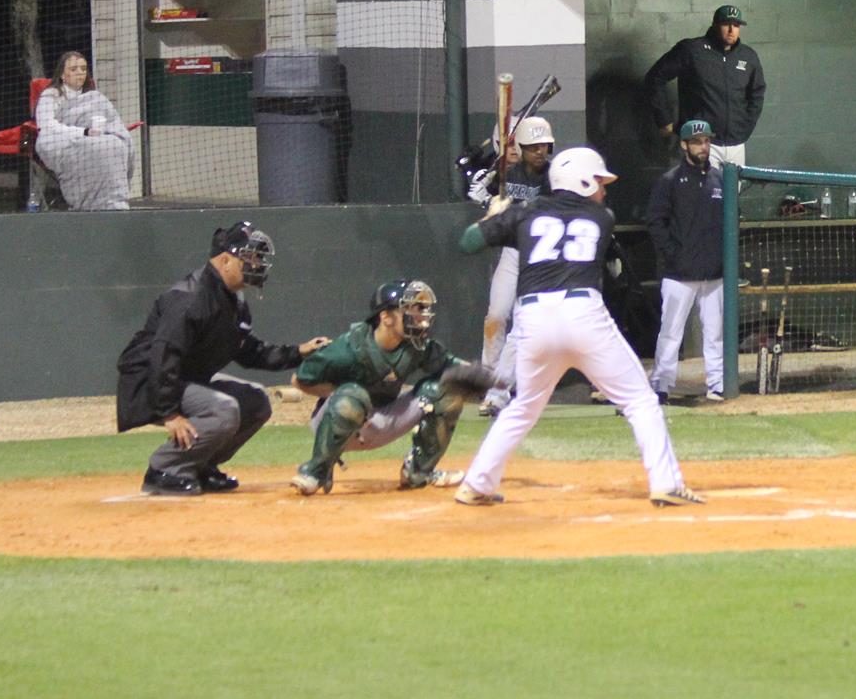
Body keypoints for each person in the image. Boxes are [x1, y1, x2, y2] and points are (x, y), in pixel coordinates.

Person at [455, 147, 701, 508]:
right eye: (599, 181)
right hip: (582, 313)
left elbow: (468, 243)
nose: (603, 189)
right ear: (582, 181)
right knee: (640, 401)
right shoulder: (603, 216)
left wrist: (492, 218)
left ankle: (476, 483)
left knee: (523, 407)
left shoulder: (527, 213)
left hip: (534, 320)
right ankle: (666, 482)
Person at [114, 222, 330, 496]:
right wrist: (169, 413)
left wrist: (299, 352)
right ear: (226, 259)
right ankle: (164, 469)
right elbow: (163, 355)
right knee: (224, 409)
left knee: (255, 401)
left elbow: (250, 352)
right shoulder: (191, 298)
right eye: (250, 257)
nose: (258, 264)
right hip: (149, 382)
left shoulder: (232, 301)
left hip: (182, 378)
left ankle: (201, 466)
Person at [291, 280, 495, 495]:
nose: (419, 315)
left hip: (381, 420)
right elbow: (299, 379)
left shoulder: (416, 345)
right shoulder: (349, 347)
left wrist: (491, 378)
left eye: (421, 309)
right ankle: (316, 470)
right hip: (338, 422)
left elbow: (453, 366)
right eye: (410, 309)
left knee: (445, 388)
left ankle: (418, 472)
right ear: (385, 317)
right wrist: (338, 396)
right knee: (353, 395)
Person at [473, 115, 555, 414]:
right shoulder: (507, 174)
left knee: (522, 326)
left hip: (539, 259)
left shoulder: (553, 175)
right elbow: (485, 199)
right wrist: (480, 186)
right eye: (533, 147)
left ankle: (500, 391)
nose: (539, 152)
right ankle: (489, 380)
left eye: (543, 146)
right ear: (520, 147)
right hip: (511, 254)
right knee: (495, 316)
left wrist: (513, 209)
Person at [645, 120, 726, 404]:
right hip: (679, 274)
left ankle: (717, 384)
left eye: (706, 141)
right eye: (697, 141)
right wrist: (673, 254)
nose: (704, 146)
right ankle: (661, 385)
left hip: (714, 274)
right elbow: (655, 221)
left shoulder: (719, 179)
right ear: (684, 145)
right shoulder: (670, 180)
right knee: (670, 333)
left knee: (715, 335)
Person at [643, 3, 766, 170]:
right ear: (715, 25)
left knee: (732, 194)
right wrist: (663, 120)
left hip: (736, 144)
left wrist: (745, 127)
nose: (731, 30)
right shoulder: (692, 50)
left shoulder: (748, 56)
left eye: (736, 25)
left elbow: (757, 93)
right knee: (701, 194)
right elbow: (655, 78)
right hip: (700, 142)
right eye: (726, 24)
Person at [34, 51, 133, 211]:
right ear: (62, 74)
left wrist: (103, 130)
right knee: (93, 148)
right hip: (59, 139)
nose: (80, 72)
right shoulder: (50, 95)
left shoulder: (93, 97)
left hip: (94, 137)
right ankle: (88, 203)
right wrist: (83, 132)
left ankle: (113, 202)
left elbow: (110, 119)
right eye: (73, 69)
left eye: (83, 68)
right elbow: (47, 127)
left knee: (115, 144)